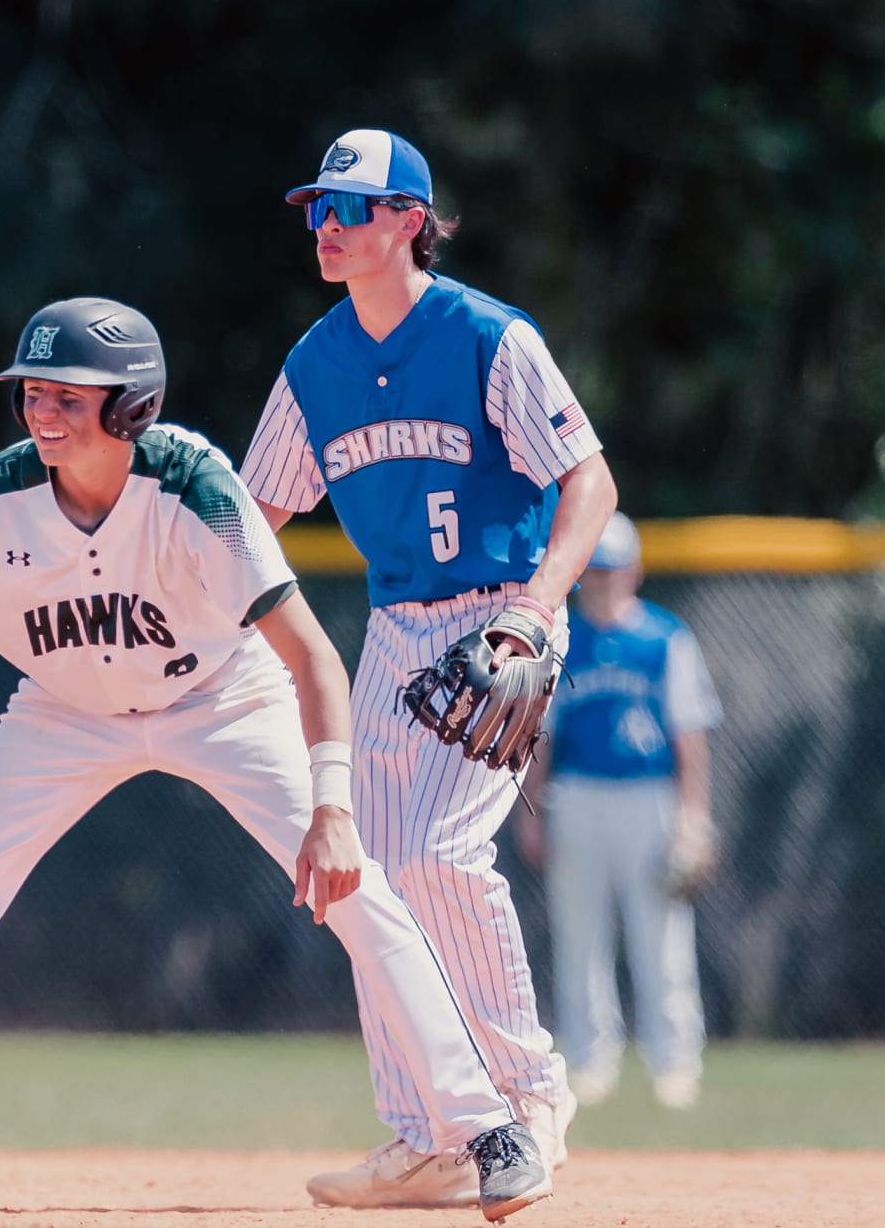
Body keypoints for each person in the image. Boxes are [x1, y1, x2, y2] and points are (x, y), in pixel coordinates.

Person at [0, 296, 551, 1222]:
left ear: (131, 404)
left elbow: (311, 657)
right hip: (63, 713)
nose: (41, 413)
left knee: (356, 886)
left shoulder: (196, 487)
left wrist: (332, 808)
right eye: (31, 394)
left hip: (222, 695)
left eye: (66, 395)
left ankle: (487, 1126)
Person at [241, 128, 619, 1209]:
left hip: (501, 619)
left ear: (411, 219)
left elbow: (589, 484)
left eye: (350, 210)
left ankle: (530, 1090)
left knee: (441, 848)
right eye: (318, 210)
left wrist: (536, 612)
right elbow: (256, 515)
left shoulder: (488, 337)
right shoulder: (314, 364)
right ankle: (428, 1133)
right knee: (365, 868)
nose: (328, 228)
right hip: (395, 632)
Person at [515, 511, 721, 1110]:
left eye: (613, 569)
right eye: (594, 570)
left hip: (648, 799)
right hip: (576, 797)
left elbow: (690, 737)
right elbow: (540, 736)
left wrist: (694, 816)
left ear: (635, 571)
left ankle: (675, 1061)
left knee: (662, 937)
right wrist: (531, 814)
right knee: (580, 936)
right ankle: (589, 1059)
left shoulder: (665, 638)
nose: (604, 581)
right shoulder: (562, 637)